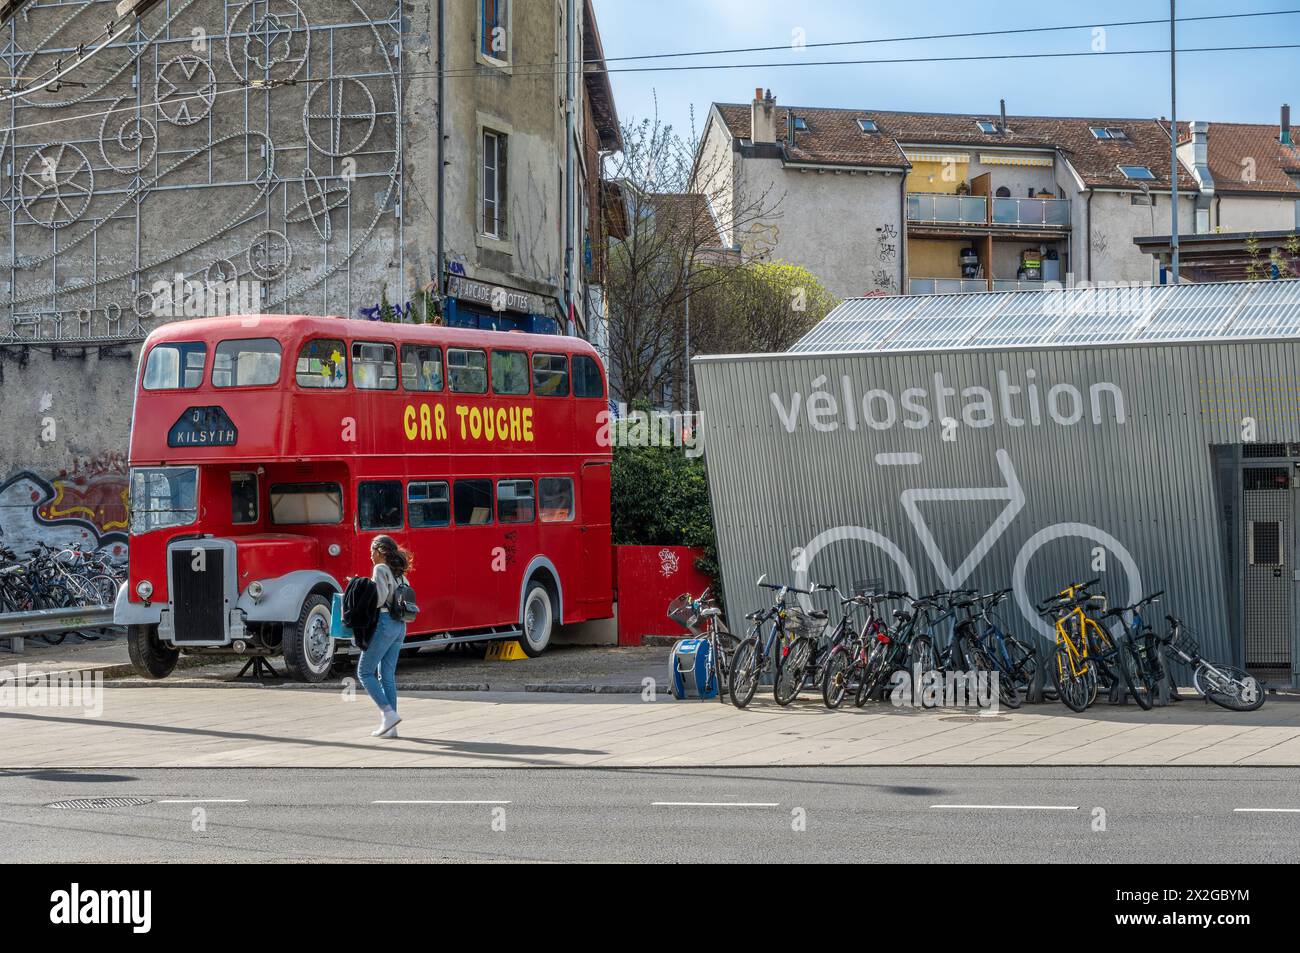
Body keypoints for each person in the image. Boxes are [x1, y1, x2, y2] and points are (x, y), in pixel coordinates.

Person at [357, 535, 412, 738]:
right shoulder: (400, 574)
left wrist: (364, 594)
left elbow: (379, 599)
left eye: (372, 551)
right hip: (400, 626)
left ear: (380, 551)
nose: (370, 555)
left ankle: (388, 714)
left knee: (364, 672)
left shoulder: (380, 569)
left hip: (385, 623)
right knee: (387, 676)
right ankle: (392, 727)